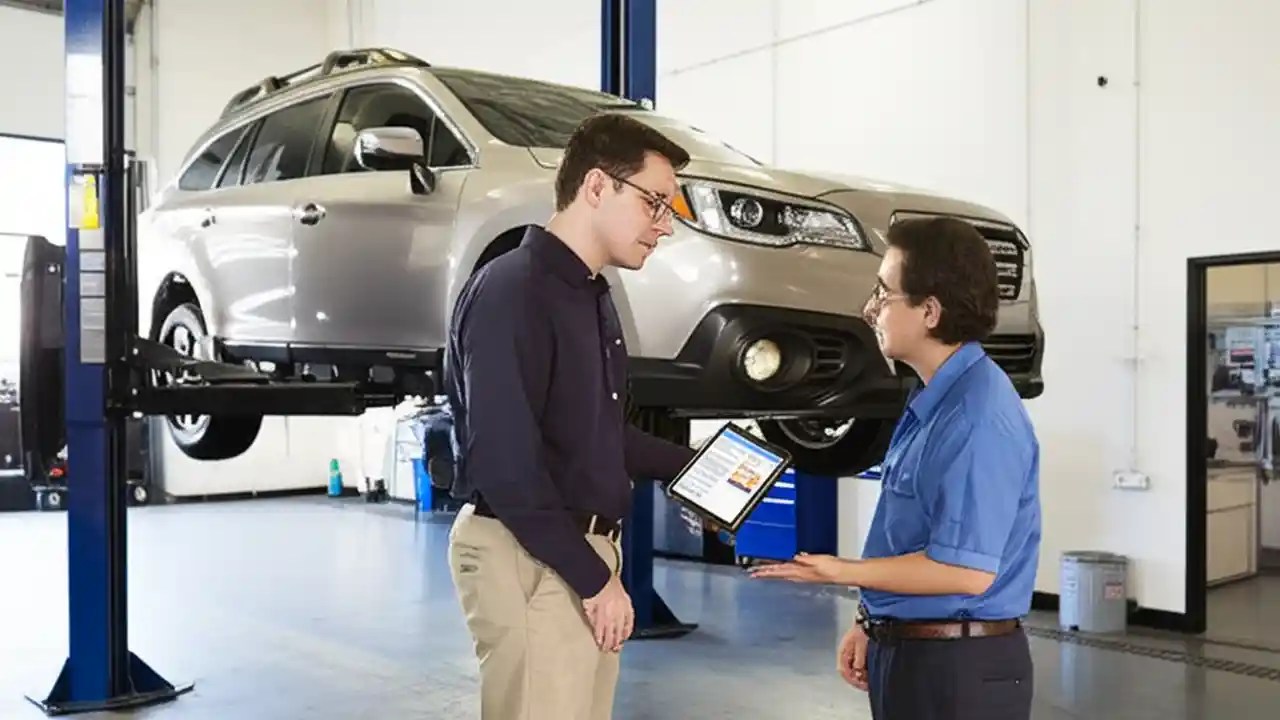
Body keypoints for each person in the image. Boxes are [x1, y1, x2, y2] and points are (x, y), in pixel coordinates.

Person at [444, 113, 699, 720]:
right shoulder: (515, 290)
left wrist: (702, 470)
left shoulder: (591, 296)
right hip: (531, 555)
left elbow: (596, 436)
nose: (664, 227)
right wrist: (592, 579)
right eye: (655, 204)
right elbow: (505, 465)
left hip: (572, 555)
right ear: (595, 187)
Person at [751, 216, 1041, 720]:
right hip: (917, 652)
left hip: (957, 669)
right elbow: (906, 536)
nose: (869, 311)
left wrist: (841, 571)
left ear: (930, 311)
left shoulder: (976, 419)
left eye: (884, 294)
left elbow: (965, 570)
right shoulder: (934, 402)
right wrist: (870, 617)